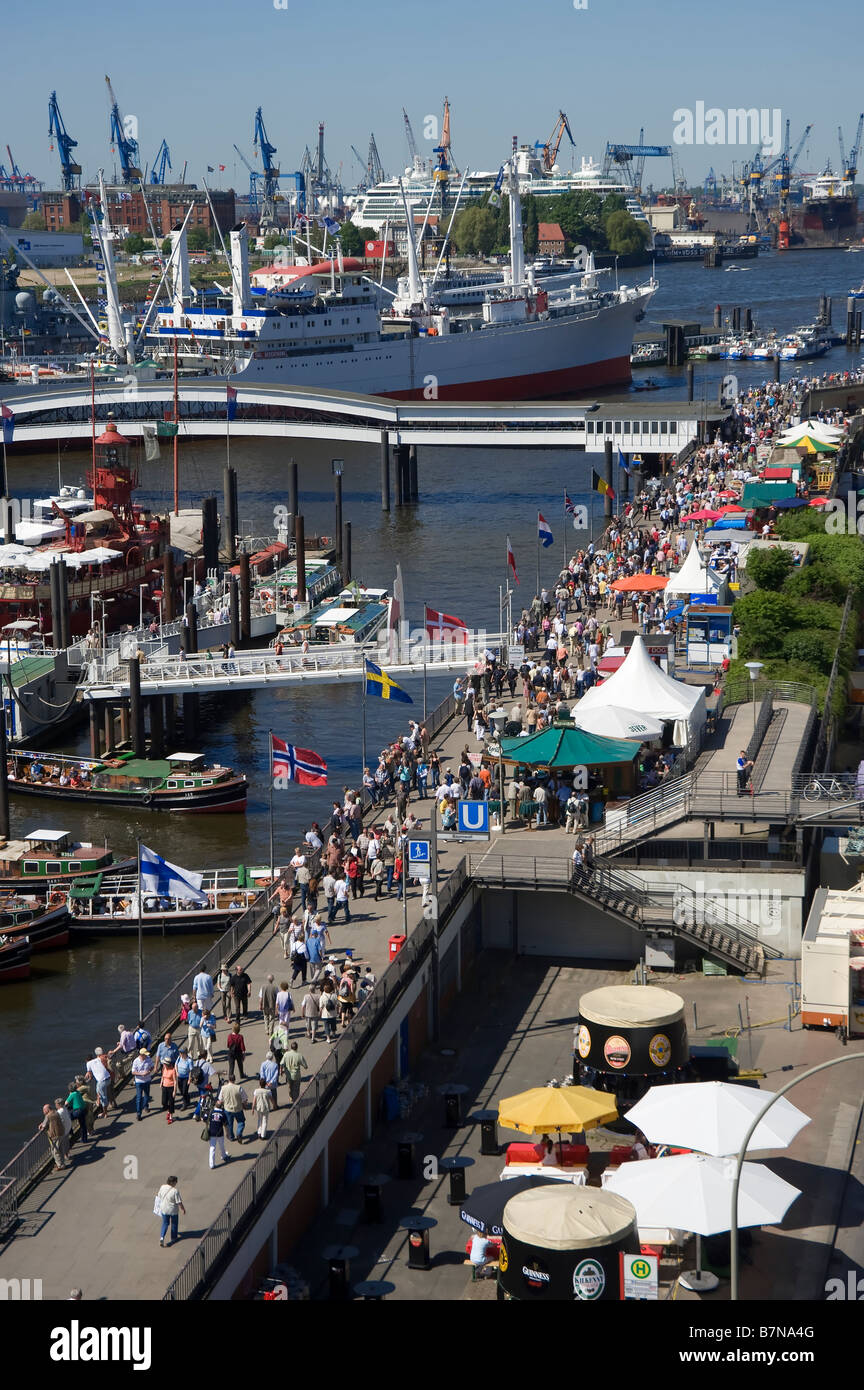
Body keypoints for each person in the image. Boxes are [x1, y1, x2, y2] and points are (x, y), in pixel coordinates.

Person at [156, 1176, 185, 1247]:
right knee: (174, 1223)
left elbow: (159, 1195)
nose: (176, 1183)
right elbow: (179, 1202)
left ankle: (162, 1237)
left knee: (165, 1223)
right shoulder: (175, 1191)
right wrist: (183, 1209)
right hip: (173, 1210)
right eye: (176, 1182)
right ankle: (173, 1238)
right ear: (172, 1182)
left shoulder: (162, 1187)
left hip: (164, 1209)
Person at [85, 1048, 113, 1118]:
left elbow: (89, 1075)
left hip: (102, 1081)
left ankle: (105, 1113)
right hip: (109, 1078)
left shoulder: (88, 1063)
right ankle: (98, 1101)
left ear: (86, 1060)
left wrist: (85, 1080)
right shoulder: (98, 1059)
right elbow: (105, 1057)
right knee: (98, 1089)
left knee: (103, 1097)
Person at [218, 1078, 248, 1144]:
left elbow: (220, 1099)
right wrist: (245, 1105)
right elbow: (244, 1098)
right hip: (238, 1109)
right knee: (241, 1122)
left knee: (229, 1124)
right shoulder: (239, 1088)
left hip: (228, 1109)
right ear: (234, 1080)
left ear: (228, 1080)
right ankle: (239, 1133)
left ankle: (231, 1137)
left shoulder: (223, 1088)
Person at [39, 1103, 67, 1171]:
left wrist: (41, 1126)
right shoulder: (56, 1112)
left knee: (55, 1151)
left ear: (47, 1110)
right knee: (61, 1149)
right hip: (61, 1132)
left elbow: (44, 1126)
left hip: (55, 1135)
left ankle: (60, 1165)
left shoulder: (48, 1116)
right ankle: (62, 1163)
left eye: (44, 1110)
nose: (43, 1112)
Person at [132, 1048, 154, 1120]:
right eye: (145, 1055)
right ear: (141, 1055)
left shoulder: (148, 1059)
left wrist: (148, 1072)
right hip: (139, 1082)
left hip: (147, 1080)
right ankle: (139, 1113)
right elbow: (133, 1072)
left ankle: (146, 1106)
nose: (146, 1056)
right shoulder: (136, 1061)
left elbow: (152, 1067)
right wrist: (141, 1074)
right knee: (139, 1098)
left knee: (147, 1095)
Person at [207, 1102, 230, 1168]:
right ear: (221, 1106)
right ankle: (223, 1155)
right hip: (220, 1133)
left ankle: (211, 1164)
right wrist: (227, 1133)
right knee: (221, 1145)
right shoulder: (223, 1113)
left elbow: (205, 1119)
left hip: (212, 1132)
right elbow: (226, 1125)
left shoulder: (211, 1112)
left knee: (212, 1148)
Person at [54, 1097, 73, 1166]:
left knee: (61, 1146)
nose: (55, 1105)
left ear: (59, 1104)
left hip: (64, 1130)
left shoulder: (59, 1112)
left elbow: (56, 1119)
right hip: (68, 1127)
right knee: (66, 1142)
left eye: (56, 1104)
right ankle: (67, 1154)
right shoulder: (64, 1108)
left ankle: (62, 1160)